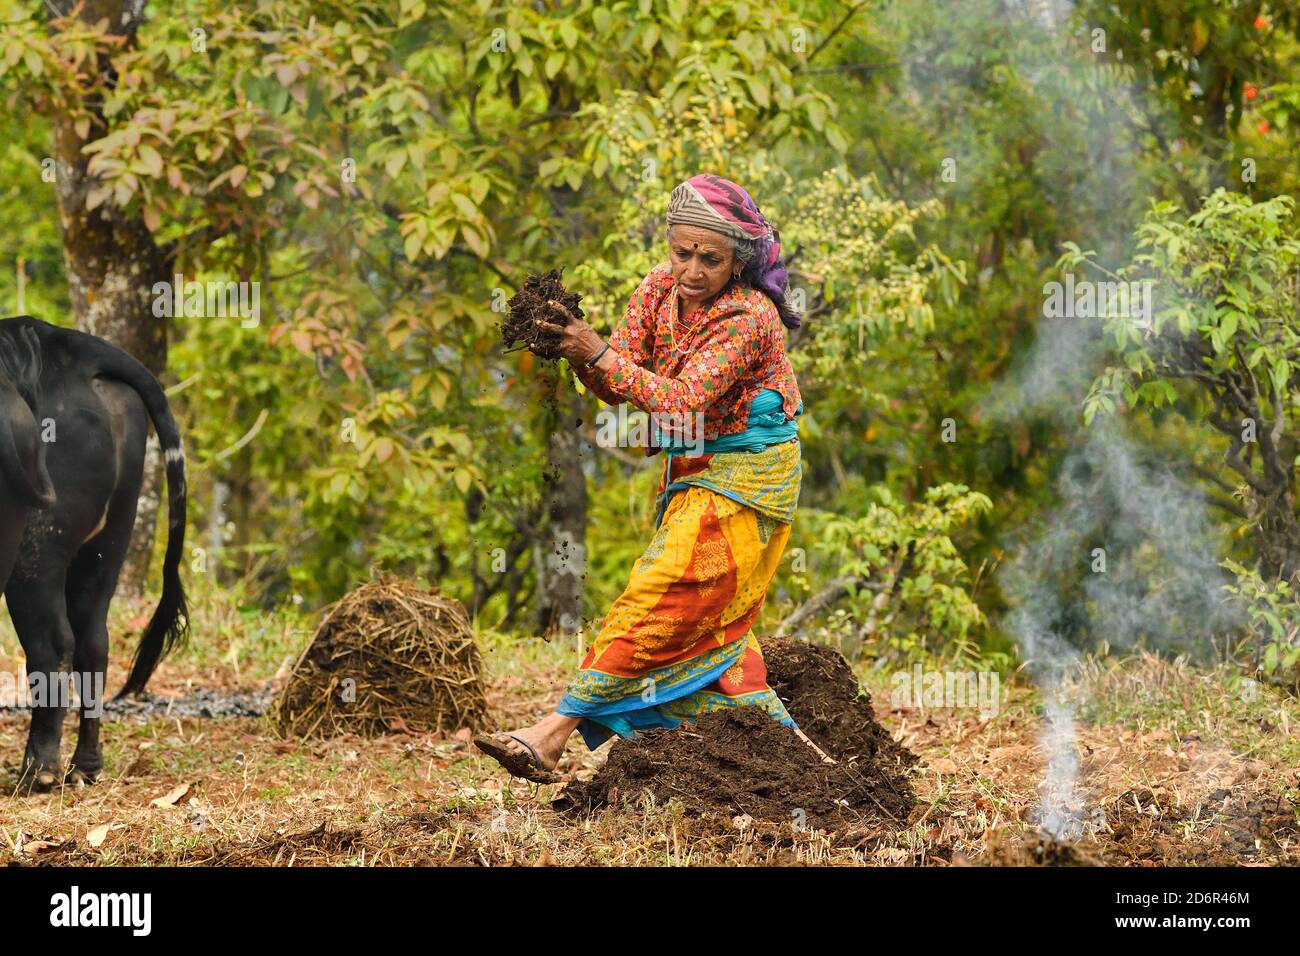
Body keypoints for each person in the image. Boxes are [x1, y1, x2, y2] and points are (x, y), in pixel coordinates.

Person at [474, 174, 827, 783]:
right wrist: (577, 347)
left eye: (710, 259)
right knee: (710, 618)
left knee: (666, 589)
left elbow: (682, 400)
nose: (691, 269)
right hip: (692, 465)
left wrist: (597, 351)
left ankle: (550, 735)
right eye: (681, 252)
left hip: (750, 475)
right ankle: (804, 767)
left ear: (737, 261)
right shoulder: (657, 290)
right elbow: (620, 380)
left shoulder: (748, 316)